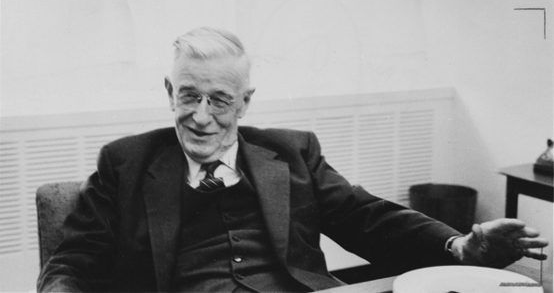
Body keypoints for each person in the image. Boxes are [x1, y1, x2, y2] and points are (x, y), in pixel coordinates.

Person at [37, 27, 548, 292]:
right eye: (188, 95)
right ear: (169, 90)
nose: (200, 116)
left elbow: (366, 217)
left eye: (219, 99)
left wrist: (457, 244)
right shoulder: (124, 163)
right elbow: (71, 262)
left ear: (245, 101)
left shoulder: (292, 151)